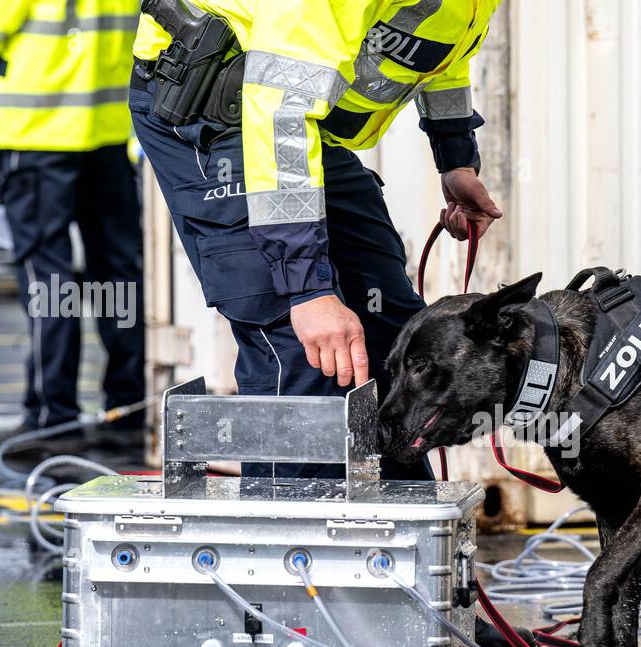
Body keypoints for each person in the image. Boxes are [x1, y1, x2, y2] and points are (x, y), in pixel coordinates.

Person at [129, 0, 503, 479]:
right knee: (303, 346)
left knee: (393, 333)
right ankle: (293, 545)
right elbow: (280, 114)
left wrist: (455, 161)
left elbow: (442, 51)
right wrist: (308, 289)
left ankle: (392, 538)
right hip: (215, 113)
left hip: (302, 124)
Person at [0, 0, 147, 460]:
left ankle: (51, 417)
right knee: (115, 275)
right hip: (107, 127)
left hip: (38, 130)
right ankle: (127, 409)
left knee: (48, 280)